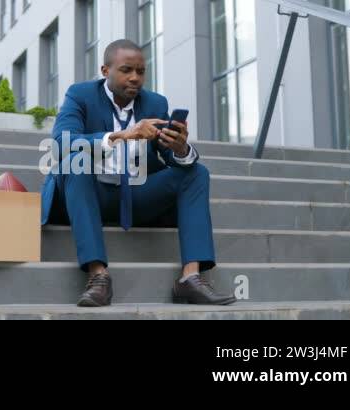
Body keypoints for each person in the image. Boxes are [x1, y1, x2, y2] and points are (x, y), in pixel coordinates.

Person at [40, 39, 236, 308]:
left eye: (141, 71)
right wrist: (122, 134)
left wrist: (179, 148)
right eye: (126, 70)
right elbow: (61, 142)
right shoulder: (80, 95)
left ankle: (190, 279)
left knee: (195, 173)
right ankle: (98, 276)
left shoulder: (155, 103)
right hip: (90, 193)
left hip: (136, 194)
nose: (135, 78)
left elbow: (172, 158)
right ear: (105, 70)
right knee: (75, 161)